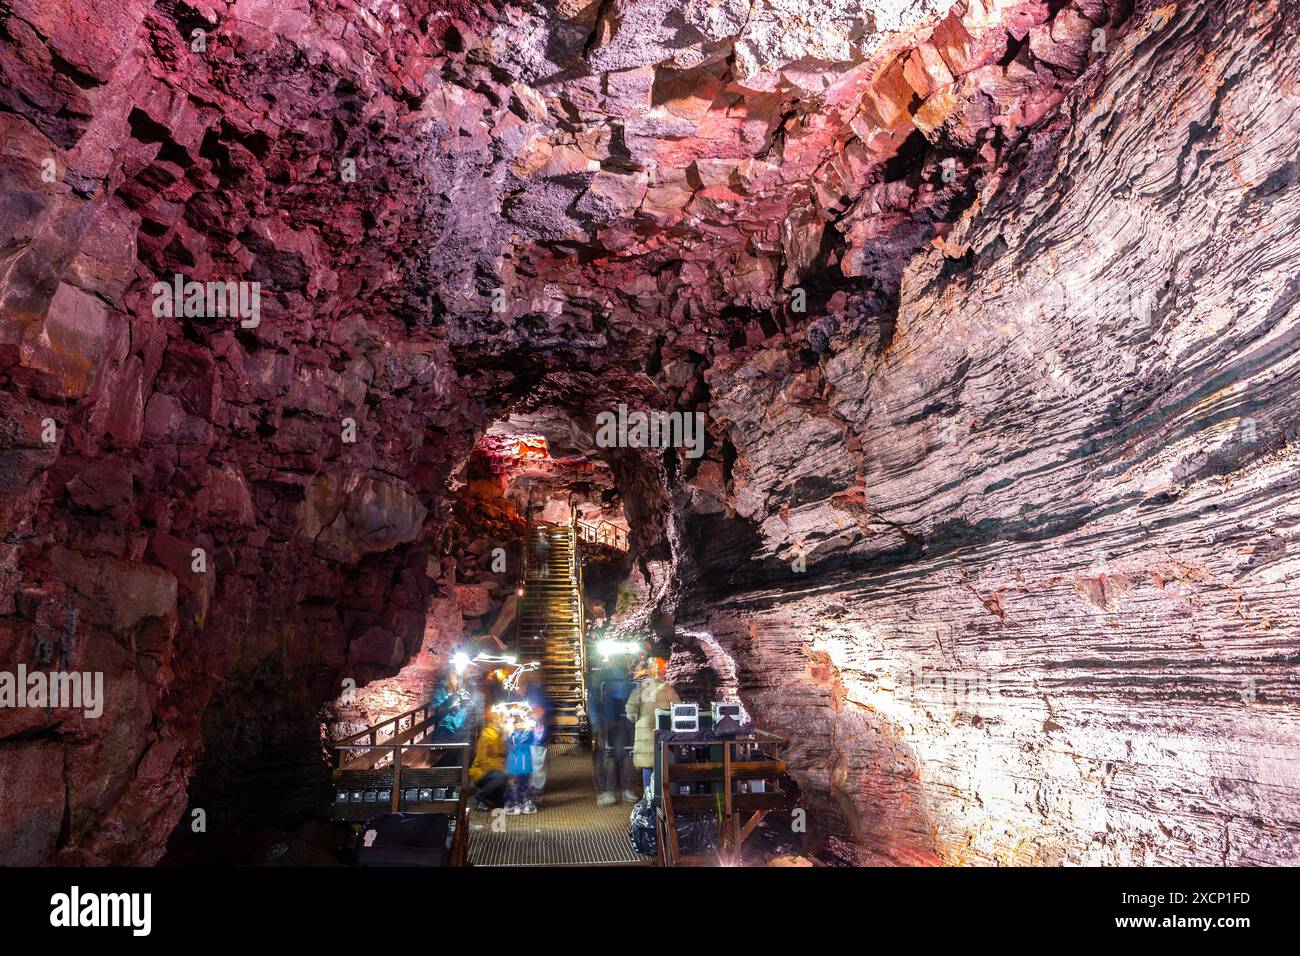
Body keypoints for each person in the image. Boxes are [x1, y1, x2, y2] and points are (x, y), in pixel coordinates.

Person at [626, 657, 679, 795]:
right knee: (662, 766)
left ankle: (648, 799)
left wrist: (637, 719)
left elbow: (631, 709)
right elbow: (678, 710)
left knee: (648, 766)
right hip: (664, 732)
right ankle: (663, 798)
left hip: (645, 733)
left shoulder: (643, 687)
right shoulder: (668, 690)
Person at [589, 653, 636, 805]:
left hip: (619, 720)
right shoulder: (599, 676)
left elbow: (625, 696)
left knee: (621, 755)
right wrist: (596, 722)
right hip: (605, 722)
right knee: (604, 757)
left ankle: (621, 789)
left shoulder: (623, 675)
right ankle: (605, 791)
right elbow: (592, 700)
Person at [469, 708, 508, 810]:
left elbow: (503, 753)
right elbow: (482, 759)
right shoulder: (486, 736)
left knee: (504, 779)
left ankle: (496, 799)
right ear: (495, 720)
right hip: (481, 771)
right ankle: (480, 796)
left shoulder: (500, 736)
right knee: (501, 777)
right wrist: (500, 769)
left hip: (494, 770)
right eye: (502, 719)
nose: (504, 722)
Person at [505, 714, 537, 814]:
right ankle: (513, 802)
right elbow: (509, 741)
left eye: (521, 722)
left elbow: (532, 739)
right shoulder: (510, 734)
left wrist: (529, 729)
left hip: (525, 763)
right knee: (513, 784)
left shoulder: (528, 733)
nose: (519, 724)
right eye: (516, 722)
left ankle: (525, 801)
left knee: (524, 783)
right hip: (513, 764)